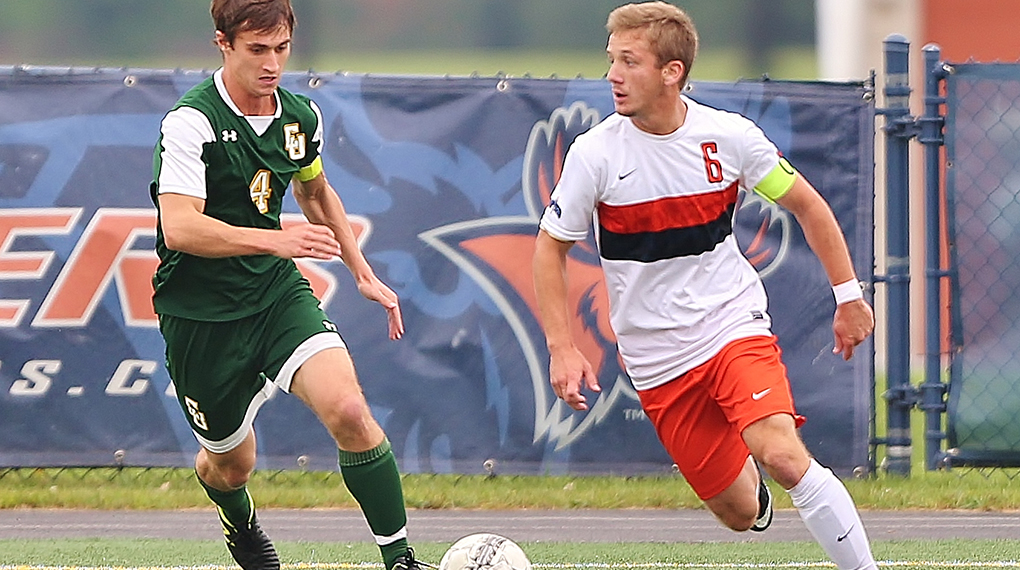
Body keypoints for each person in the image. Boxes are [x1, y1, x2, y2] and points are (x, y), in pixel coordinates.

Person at [532, 3, 878, 569]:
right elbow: (550, 248)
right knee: (739, 513)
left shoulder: (730, 137)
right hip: (656, 359)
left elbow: (808, 205)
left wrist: (848, 296)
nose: (613, 76)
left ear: (672, 72)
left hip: (731, 325)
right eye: (611, 61)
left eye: (629, 62)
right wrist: (562, 346)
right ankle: (751, 491)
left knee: (784, 456)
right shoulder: (594, 154)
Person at [149, 2, 431, 570]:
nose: (272, 63)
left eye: (281, 49)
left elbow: (315, 192)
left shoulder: (300, 117)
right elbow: (180, 227)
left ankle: (399, 559)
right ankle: (239, 520)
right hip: (201, 312)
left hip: (276, 295)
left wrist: (362, 271)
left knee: (350, 410)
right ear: (222, 44)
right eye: (257, 50)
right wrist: (275, 239)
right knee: (230, 466)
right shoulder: (191, 122)